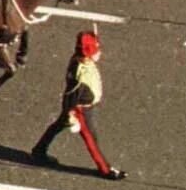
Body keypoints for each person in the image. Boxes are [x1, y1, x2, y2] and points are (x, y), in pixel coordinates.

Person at [32, 30, 126, 179]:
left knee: (58, 125)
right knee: (91, 138)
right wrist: (70, 114)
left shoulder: (80, 61)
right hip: (80, 110)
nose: (99, 53)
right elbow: (71, 96)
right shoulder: (80, 74)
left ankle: (39, 150)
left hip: (81, 107)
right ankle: (106, 169)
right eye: (96, 50)